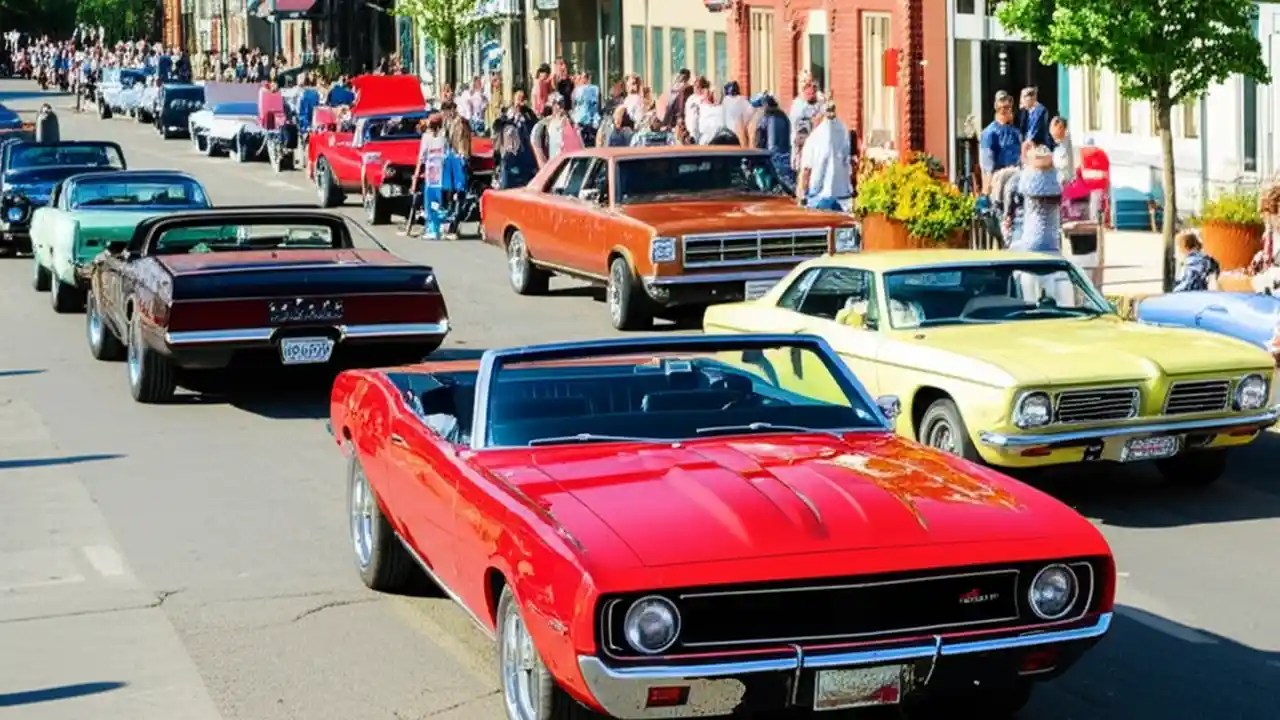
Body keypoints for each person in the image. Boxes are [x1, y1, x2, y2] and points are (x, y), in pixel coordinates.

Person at [795, 101, 852, 211]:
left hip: (818, 198)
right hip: (842, 196)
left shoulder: (814, 139)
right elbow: (848, 162)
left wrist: (801, 196)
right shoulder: (843, 133)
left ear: (819, 116)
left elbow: (806, 171)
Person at [980, 91, 1022, 194]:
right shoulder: (990, 133)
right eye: (1003, 107)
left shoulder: (1016, 132)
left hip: (1017, 177)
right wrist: (986, 191)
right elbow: (987, 165)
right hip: (999, 180)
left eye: (1008, 107)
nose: (1006, 110)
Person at [752, 93, 793, 185]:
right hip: (785, 156)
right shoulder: (783, 116)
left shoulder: (767, 118)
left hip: (771, 158)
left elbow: (760, 139)